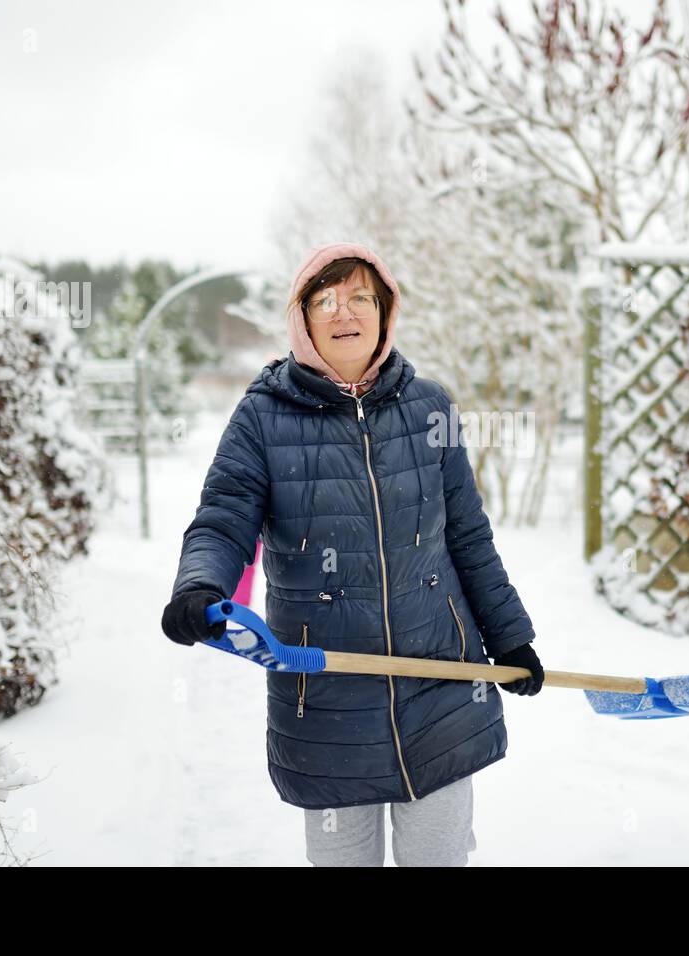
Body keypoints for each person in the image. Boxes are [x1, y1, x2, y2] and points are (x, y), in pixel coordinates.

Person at [160, 241, 544, 866]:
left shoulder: (430, 407)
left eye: (361, 296)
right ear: (302, 318)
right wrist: (198, 588)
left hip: (439, 683)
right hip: (325, 690)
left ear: (385, 310)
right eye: (326, 300)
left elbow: (467, 535)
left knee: (439, 857)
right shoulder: (263, 416)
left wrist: (510, 637)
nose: (345, 313)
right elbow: (224, 518)